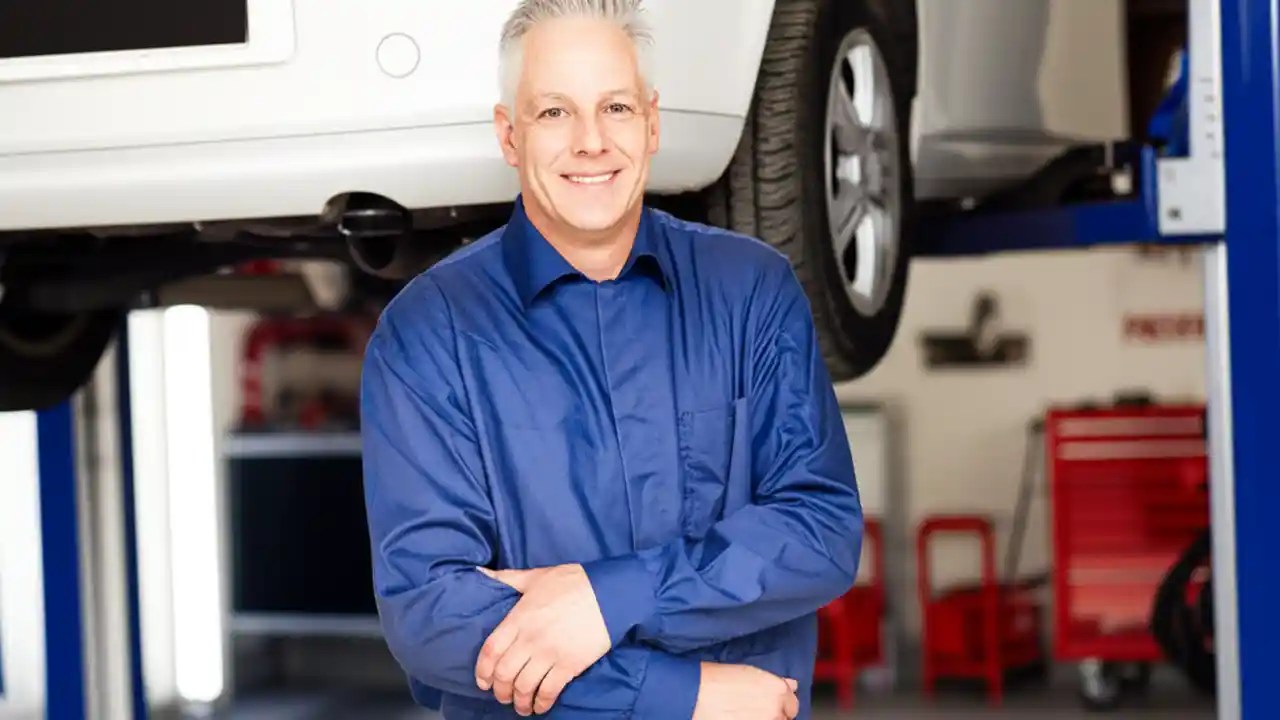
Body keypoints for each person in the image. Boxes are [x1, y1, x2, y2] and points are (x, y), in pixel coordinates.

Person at [359, 1, 863, 718]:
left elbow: (820, 528)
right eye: (555, 113)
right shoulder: (429, 334)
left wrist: (606, 599)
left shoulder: (750, 290)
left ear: (652, 123)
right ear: (510, 134)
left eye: (616, 107)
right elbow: (431, 611)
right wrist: (679, 698)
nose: (591, 141)